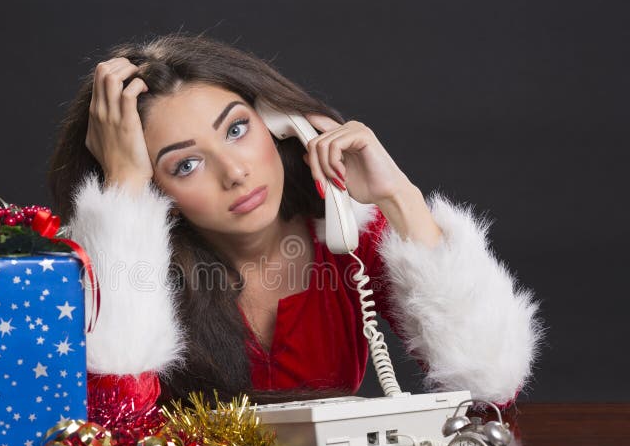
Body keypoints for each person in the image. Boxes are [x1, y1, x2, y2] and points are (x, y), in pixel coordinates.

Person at [47, 33, 541, 415]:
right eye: (186, 165)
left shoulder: (349, 238)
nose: (235, 172)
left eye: (237, 129)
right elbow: (116, 413)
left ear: (279, 123)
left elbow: (491, 384)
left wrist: (400, 197)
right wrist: (124, 190)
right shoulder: (122, 265)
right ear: (160, 196)